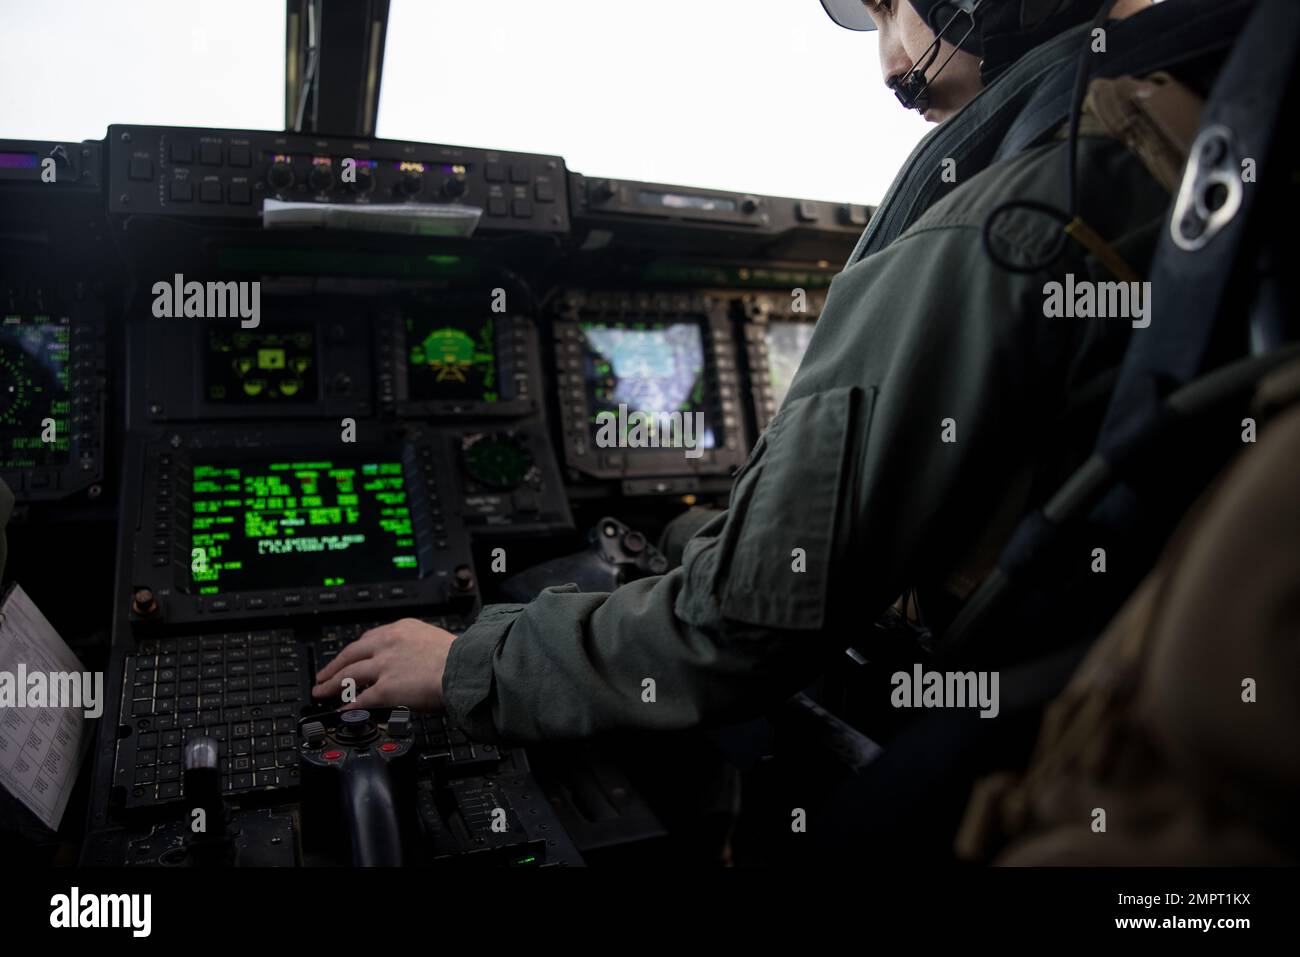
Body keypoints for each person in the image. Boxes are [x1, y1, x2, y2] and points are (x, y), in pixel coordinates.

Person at [314, 0, 1232, 743]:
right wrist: (683, 535)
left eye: (886, 7)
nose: (889, 60)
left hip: (1036, 725)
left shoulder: (1009, 222)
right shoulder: (1211, 137)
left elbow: (739, 625)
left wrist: (466, 663)